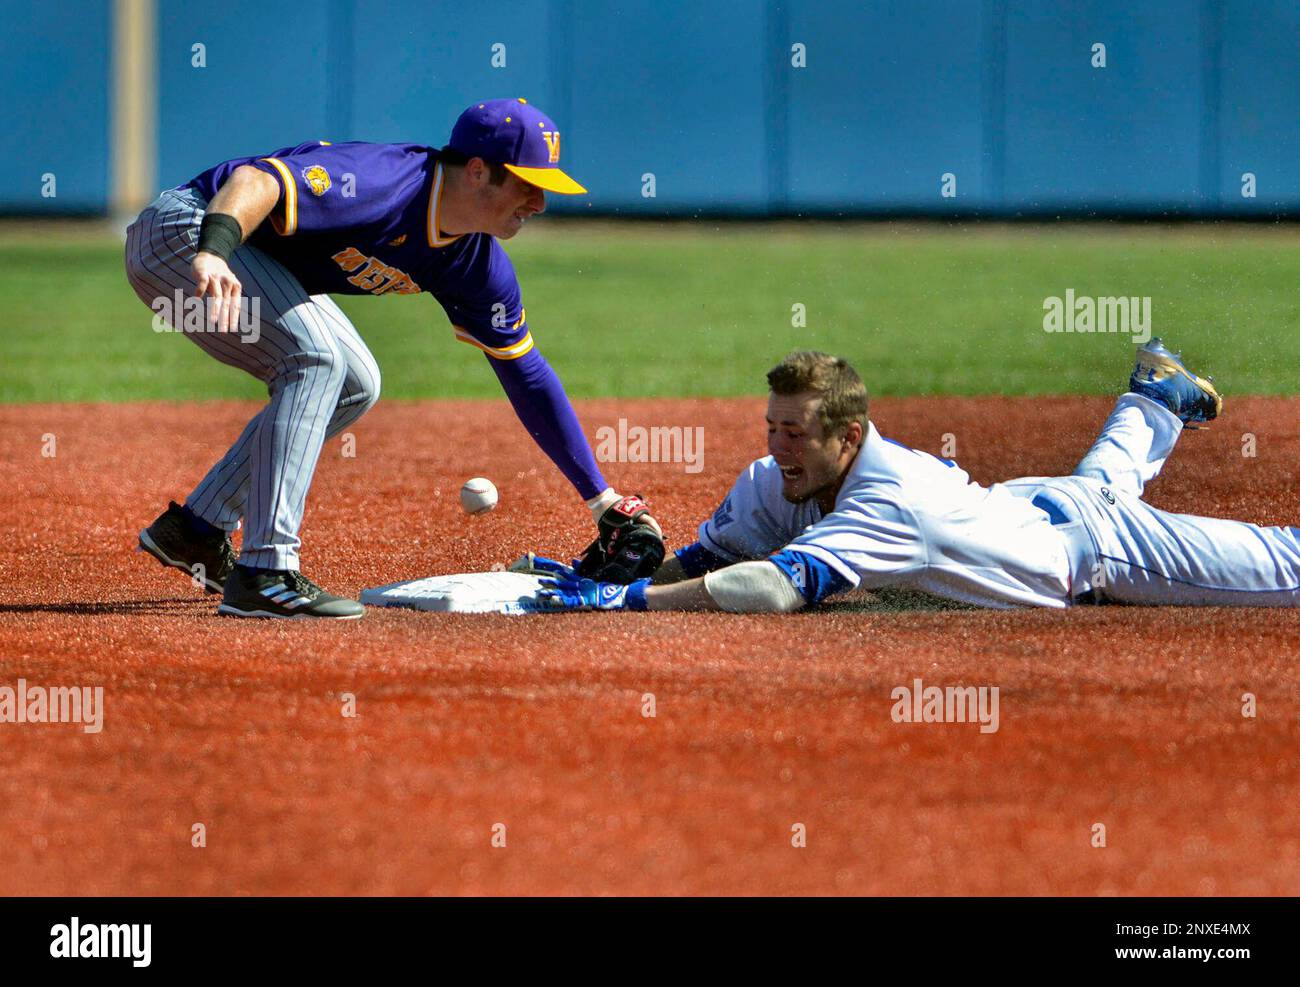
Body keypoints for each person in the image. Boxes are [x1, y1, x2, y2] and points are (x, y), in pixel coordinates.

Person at [125, 98, 657, 619]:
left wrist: (600, 499)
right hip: (188, 234)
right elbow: (254, 182)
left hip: (247, 256)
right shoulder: (380, 182)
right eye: (528, 184)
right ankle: (267, 573)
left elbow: (528, 375)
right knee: (316, 360)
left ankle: (197, 529)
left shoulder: (475, 264)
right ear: (477, 171)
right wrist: (213, 250)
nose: (539, 204)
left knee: (357, 382)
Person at [539, 340, 1300, 613]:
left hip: (1096, 546)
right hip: (1030, 506)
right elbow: (708, 564)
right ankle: (1153, 399)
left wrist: (626, 600)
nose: (780, 448)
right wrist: (638, 569)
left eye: (797, 433)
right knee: (1095, 481)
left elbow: (771, 588)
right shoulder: (779, 477)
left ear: (851, 436)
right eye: (772, 428)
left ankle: (1153, 401)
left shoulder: (887, 499)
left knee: (1286, 568)